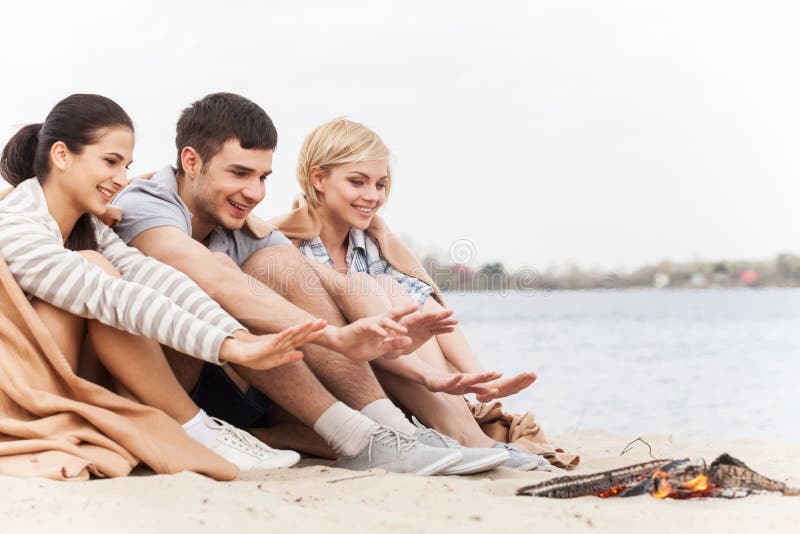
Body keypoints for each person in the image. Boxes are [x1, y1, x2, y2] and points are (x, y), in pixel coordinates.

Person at [112, 93, 516, 475]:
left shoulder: (242, 224)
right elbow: (214, 280)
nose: (254, 192)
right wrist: (335, 338)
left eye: (262, 176)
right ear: (192, 161)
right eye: (239, 173)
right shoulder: (144, 203)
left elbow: (324, 281)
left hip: (249, 383)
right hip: (176, 385)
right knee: (224, 271)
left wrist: (421, 372)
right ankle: (358, 437)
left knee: (278, 262)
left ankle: (393, 433)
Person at [0, 93, 330, 474]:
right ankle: (195, 427)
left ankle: (200, 428)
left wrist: (236, 335)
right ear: (61, 155)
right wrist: (229, 349)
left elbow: (155, 277)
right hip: (16, 386)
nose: (121, 180)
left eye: (126, 165)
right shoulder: (15, 222)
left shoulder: (91, 227)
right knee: (100, 274)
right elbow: (108, 296)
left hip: (60, 372)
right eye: (110, 161)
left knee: (122, 272)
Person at [271, 117, 553, 470]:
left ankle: (463, 432)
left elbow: (428, 307)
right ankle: (458, 432)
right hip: (324, 380)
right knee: (383, 294)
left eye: (380, 184)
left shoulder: (370, 242)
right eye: (357, 182)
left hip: (388, 378)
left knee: (399, 295)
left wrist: (481, 381)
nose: (372, 196)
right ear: (319, 179)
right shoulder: (287, 244)